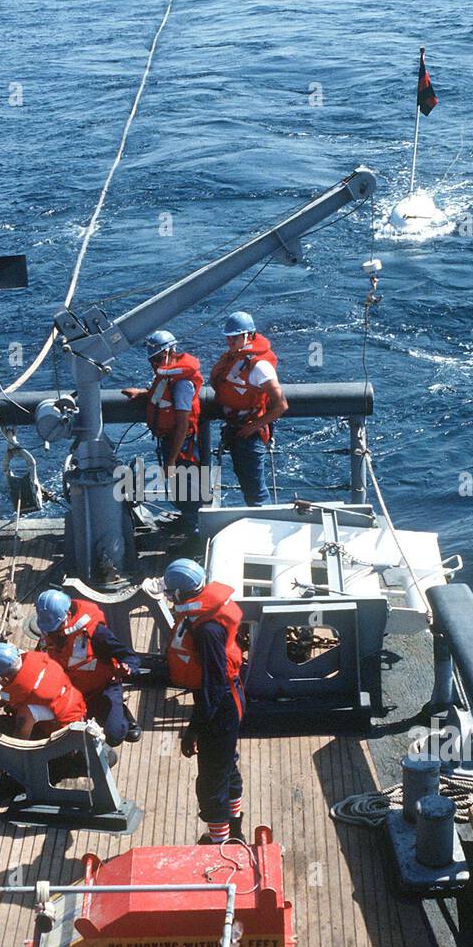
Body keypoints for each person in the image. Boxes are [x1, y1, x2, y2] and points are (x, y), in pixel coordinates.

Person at [163, 558, 246, 845]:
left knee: (211, 779)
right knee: (226, 766)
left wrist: (194, 729)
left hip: (221, 705)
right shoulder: (201, 616)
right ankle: (234, 828)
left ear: (179, 594)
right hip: (226, 698)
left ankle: (219, 842)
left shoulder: (208, 630)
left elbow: (213, 683)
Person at [0, 642, 89, 787]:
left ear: (5, 677)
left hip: (66, 745)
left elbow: (17, 749)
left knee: (16, 781)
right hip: (74, 710)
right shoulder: (38, 660)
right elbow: (30, 687)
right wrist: (4, 702)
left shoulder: (28, 712)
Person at [122, 330, 204, 541]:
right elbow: (160, 397)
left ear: (171, 352)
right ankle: (186, 524)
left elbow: (183, 425)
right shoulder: (167, 377)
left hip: (183, 448)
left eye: (158, 358)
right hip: (169, 442)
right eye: (152, 360)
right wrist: (142, 394)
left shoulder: (182, 383)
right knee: (179, 491)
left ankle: (193, 543)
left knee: (188, 496)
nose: (155, 364)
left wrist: (171, 460)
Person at [35, 589, 142, 746]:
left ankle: (124, 715)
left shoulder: (95, 633)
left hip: (104, 688)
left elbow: (129, 656)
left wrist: (128, 669)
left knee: (114, 736)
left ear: (68, 614)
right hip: (72, 691)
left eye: (57, 628)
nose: (54, 634)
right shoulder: (49, 632)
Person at [209, 311, 287, 507]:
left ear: (248, 335)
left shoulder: (260, 366)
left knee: (256, 491)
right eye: (228, 337)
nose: (230, 342)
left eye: (235, 337)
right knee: (247, 485)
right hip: (235, 429)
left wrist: (254, 427)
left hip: (249, 434)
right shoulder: (234, 358)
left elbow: (281, 405)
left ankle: (265, 526)